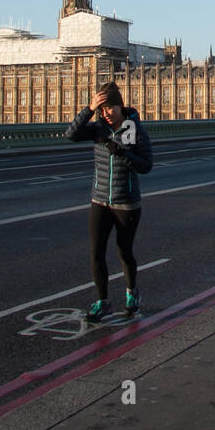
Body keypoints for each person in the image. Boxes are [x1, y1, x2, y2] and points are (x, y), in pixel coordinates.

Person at [65, 82, 154, 322]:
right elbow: (71, 134)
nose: (106, 113)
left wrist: (124, 154)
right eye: (102, 109)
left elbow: (146, 165)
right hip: (100, 198)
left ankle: (132, 293)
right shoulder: (98, 128)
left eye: (110, 108)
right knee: (96, 253)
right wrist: (88, 108)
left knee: (124, 252)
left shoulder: (132, 128)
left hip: (126, 201)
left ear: (120, 105)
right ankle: (103, 301)